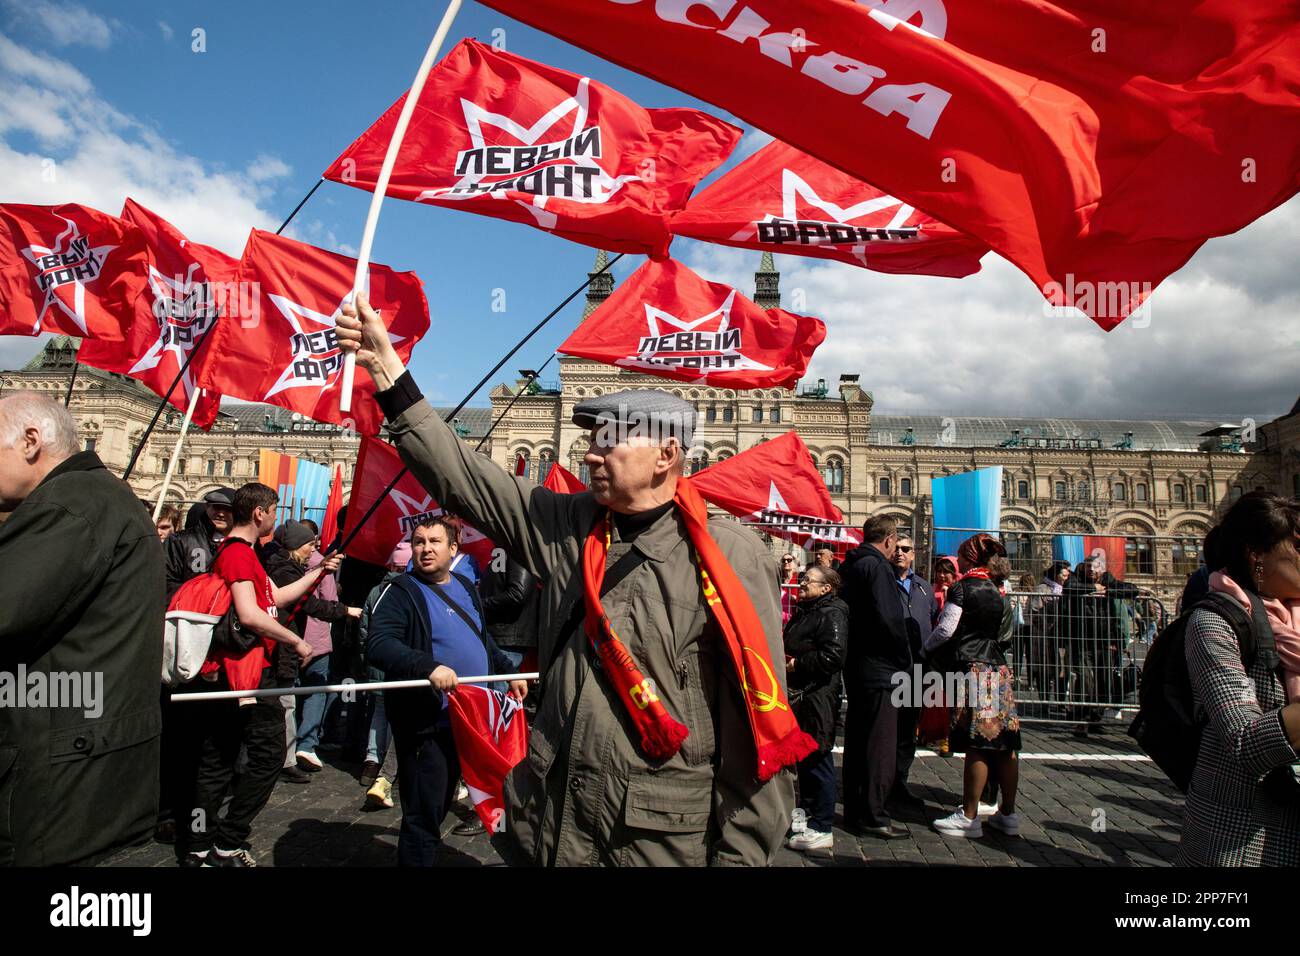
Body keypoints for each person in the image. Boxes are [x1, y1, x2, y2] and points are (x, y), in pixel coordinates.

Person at [338, 296, 804, 866]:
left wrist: (739, 857)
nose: (590, 455)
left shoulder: (731, 555)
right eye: (590, 441)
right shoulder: (568, 526)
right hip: (554, 824)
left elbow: (758, 720)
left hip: (657, 840)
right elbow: (466, 479)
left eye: (608, 441)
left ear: (666, 454)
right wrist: (390, 374)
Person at [0, 391, 165, 866]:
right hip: (80, 752)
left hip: (52, 769)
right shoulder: (95, 498)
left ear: (31, 441)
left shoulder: (72, 505)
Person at [176, 483, 337, 867]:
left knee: (220, 755)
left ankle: (199, 845)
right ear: (261, 513)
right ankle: (227, 842)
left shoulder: (245, 554)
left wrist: (317, 573)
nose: (277, 517)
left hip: (240, 674)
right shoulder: (237, 554)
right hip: (247, 673)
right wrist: (295, 643)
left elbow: (275, 599)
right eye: (274, 510)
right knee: (264, 758)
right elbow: (251, 615)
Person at [366, 516, 523, 865]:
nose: (425, 549)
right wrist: (428, 666)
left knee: (457, 797)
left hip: (470, 720)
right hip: (427, 722)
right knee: (424, 813)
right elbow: (379, 645)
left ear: (453, 549)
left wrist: (509, 672)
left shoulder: (466, 586)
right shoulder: (400, 591)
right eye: (419, 541)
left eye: (434, 542)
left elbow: (482, 639)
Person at [1178, 492, 1300, 866]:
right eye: (1298, 545)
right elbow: (1246, 742)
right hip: (1244, 836)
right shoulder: (1215, 623)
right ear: (1256, 555)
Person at [926, 534, 1022, 839]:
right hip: (997, 668)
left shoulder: (963, 586)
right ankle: (1008, 814)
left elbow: (946, 629)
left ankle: (968, 816)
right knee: (1005, 744)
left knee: (978, 743)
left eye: (960, 555)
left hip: (974, 668)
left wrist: (924, 648)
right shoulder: (996, 589)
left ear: (969, 557)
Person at [262, 520, 360, 782]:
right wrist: (346, 611)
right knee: (287, 701)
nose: (312, 550)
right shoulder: (283, 569)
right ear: (295, 546)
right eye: (309, 545)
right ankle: (285, 760)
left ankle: (287, 756)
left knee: (289, 699)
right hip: (284, 644)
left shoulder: (289, 565)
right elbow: (312, 603)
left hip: (292, 643)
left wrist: (320, 569)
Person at [840, 515, 911, 839]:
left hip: (855, 663)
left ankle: (856, 810)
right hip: (881, 666)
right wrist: (902, 656)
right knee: (880, 743)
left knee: (857, 739)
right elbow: (889, 616)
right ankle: (875, 816)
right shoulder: (878, 568)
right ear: (889, 540)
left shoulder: (849, 565)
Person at [782, 565, 848, 852]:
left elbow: (833, 656)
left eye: (809, 579)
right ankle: (808, 816)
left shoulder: (831, 613)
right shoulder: (808, 609)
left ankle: (822, 824)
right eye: (802, 578)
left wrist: (796, 664)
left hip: (816, 696)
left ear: (826, 588)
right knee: (805, 759)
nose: (802, 582)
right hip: (803, 695)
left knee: (817, 758)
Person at [294, 539, 361, 771]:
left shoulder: (284, 564)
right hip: (318, 637)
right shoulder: (322, 563)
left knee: (292, 694)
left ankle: (288, 744)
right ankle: (307, 742)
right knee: (316, 691)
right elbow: (330, 601)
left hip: (291, 637)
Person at [358, 541, 412, 810]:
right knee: (398, 716)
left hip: (376, 664)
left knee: (379, 712)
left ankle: (371, 761)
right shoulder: (410, 592)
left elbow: (364, 630)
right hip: (398, 666)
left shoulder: (375, 590)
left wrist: (365, 657)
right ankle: (390, 771)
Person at [890, 534, 934, 808]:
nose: (900, 553)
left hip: (916, 667)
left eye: (906, 549)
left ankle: (899, 781)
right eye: (896, 548)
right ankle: (881, 779)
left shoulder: (923, 588)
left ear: (914, 554)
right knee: (887, 727)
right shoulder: (882, 584)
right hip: (890, 666)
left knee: (907, 729)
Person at [164, 487, 236, 598]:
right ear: (207, 507)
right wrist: (201, 595)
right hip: (187, 611)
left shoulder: (243, 546)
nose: (221, 514)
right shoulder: (180, 541)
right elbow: (165, 582)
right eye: (217, 507)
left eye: (228, 509)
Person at [779, 552, 800, 626]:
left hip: (794, 615)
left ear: (794, 563)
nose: (786, 562)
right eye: (783, 560)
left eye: (789, 560)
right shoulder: (779, 578)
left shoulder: (798, 578)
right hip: (779, 614)